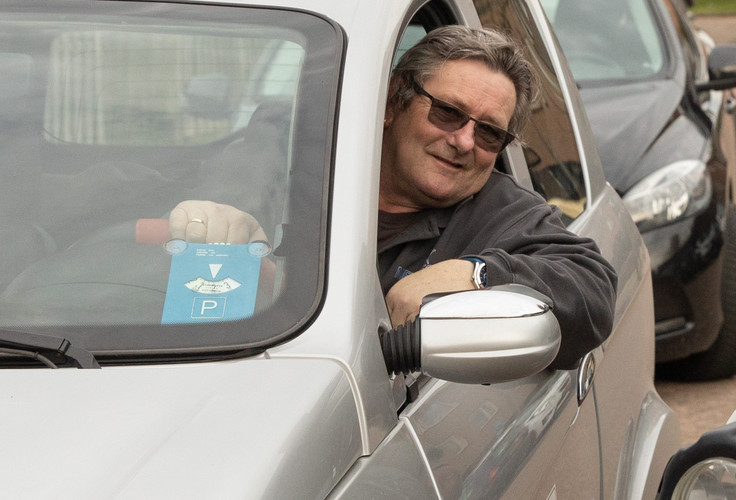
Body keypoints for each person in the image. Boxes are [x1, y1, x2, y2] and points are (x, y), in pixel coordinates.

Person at [172, 24, 617, 371]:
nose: (464, 141)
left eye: (488, 132)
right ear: (390, 102)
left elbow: (593, 293)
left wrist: (477, 275)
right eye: (447, 112)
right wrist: (216, 215)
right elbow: (228, 184)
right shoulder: (294, 154)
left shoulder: (503, 213)